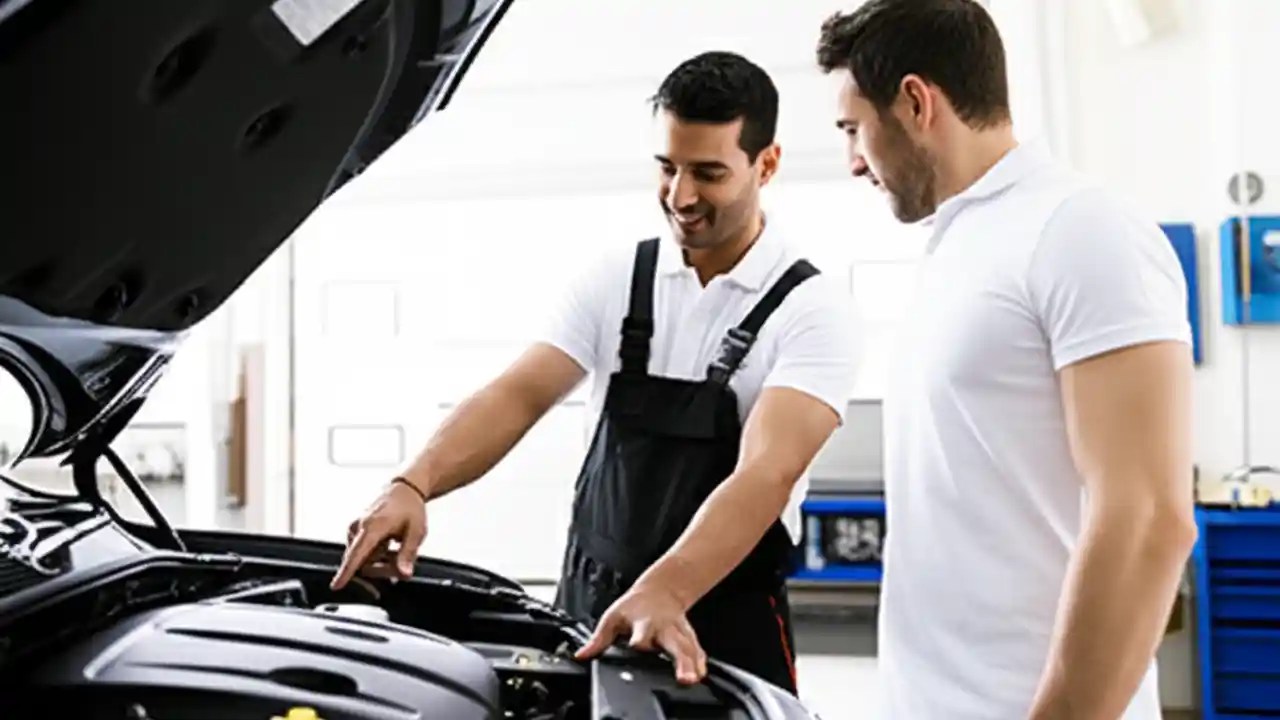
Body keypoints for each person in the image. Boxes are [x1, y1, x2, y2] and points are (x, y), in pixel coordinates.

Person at [330, 50, 861, 695]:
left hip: (724, 621)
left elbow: (765, 473)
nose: (680, 196)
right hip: (593, 607)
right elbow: (518, 394)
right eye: (667, 168)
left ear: (766, 164)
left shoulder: (811, 309)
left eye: (708, 173)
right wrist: (413, 483)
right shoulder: (619, 280)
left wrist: (667, 589)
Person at [813, 2, 1196, 718]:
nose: (854, 161)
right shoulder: (960, 243)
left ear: (916, 102)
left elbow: (1149, 517)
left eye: (852, 130)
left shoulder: (1080, 229)